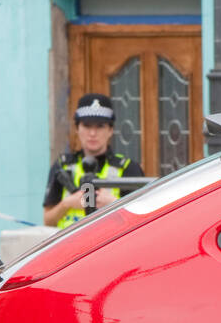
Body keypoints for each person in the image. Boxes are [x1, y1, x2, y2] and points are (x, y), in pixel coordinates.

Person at [43, 92, 145, 227]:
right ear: (77, 129)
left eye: (100, 126)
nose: (92, 133)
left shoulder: (128, 168)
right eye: (87, 125)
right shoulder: (62, 165)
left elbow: (142, 220)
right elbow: (47, 220)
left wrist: (114, 204)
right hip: (71, 245)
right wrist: (67, 204)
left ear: (110, 130)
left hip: (110, 245)